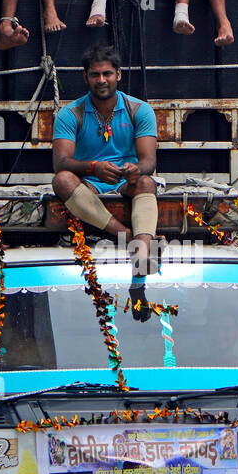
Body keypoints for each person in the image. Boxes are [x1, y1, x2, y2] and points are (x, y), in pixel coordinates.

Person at [51, 46, 158, 295]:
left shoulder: (139, 110)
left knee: (146, 182)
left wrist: (135, 169)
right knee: (63, 180)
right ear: (86, 77)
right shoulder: (70, 113)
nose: (101, 80)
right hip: (88, 181)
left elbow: (148, 162)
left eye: (107, 74)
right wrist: (93, 167)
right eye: (95, 75)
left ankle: (141, 258)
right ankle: (127, 236)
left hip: (125, 181)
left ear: (118, 75)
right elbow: (61, 162)